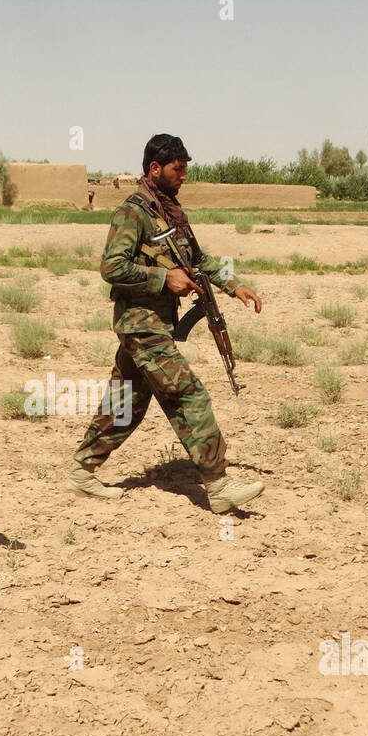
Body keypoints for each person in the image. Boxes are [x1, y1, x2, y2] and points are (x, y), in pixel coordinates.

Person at [67, 133, 264, 513]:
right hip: (140, 323)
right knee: (188, 393)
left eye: (186, 168)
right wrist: (163, 279)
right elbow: (112, 267)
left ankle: (81, 472)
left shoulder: (169, 212)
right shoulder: (133, 212)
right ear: (155, 168)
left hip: (154, 323)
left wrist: (234, 285)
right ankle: (219, 484)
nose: (184, 176)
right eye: (178, 169)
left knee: (127, 401)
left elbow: (200, 259)